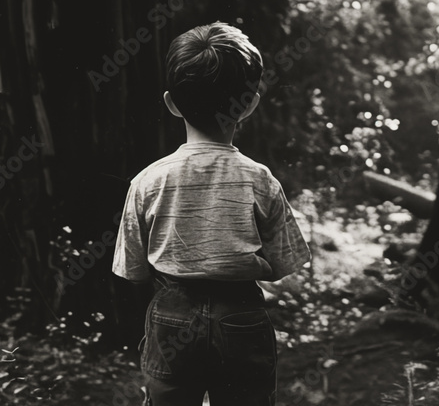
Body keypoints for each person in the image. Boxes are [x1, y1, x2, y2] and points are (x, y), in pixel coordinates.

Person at [113, 22, 311, 406]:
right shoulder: (260, 179)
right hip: (242, 317)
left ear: (171, 103)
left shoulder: (148, 181)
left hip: (172, 315)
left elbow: (132, 270)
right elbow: (285, 263)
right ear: (250, 103)